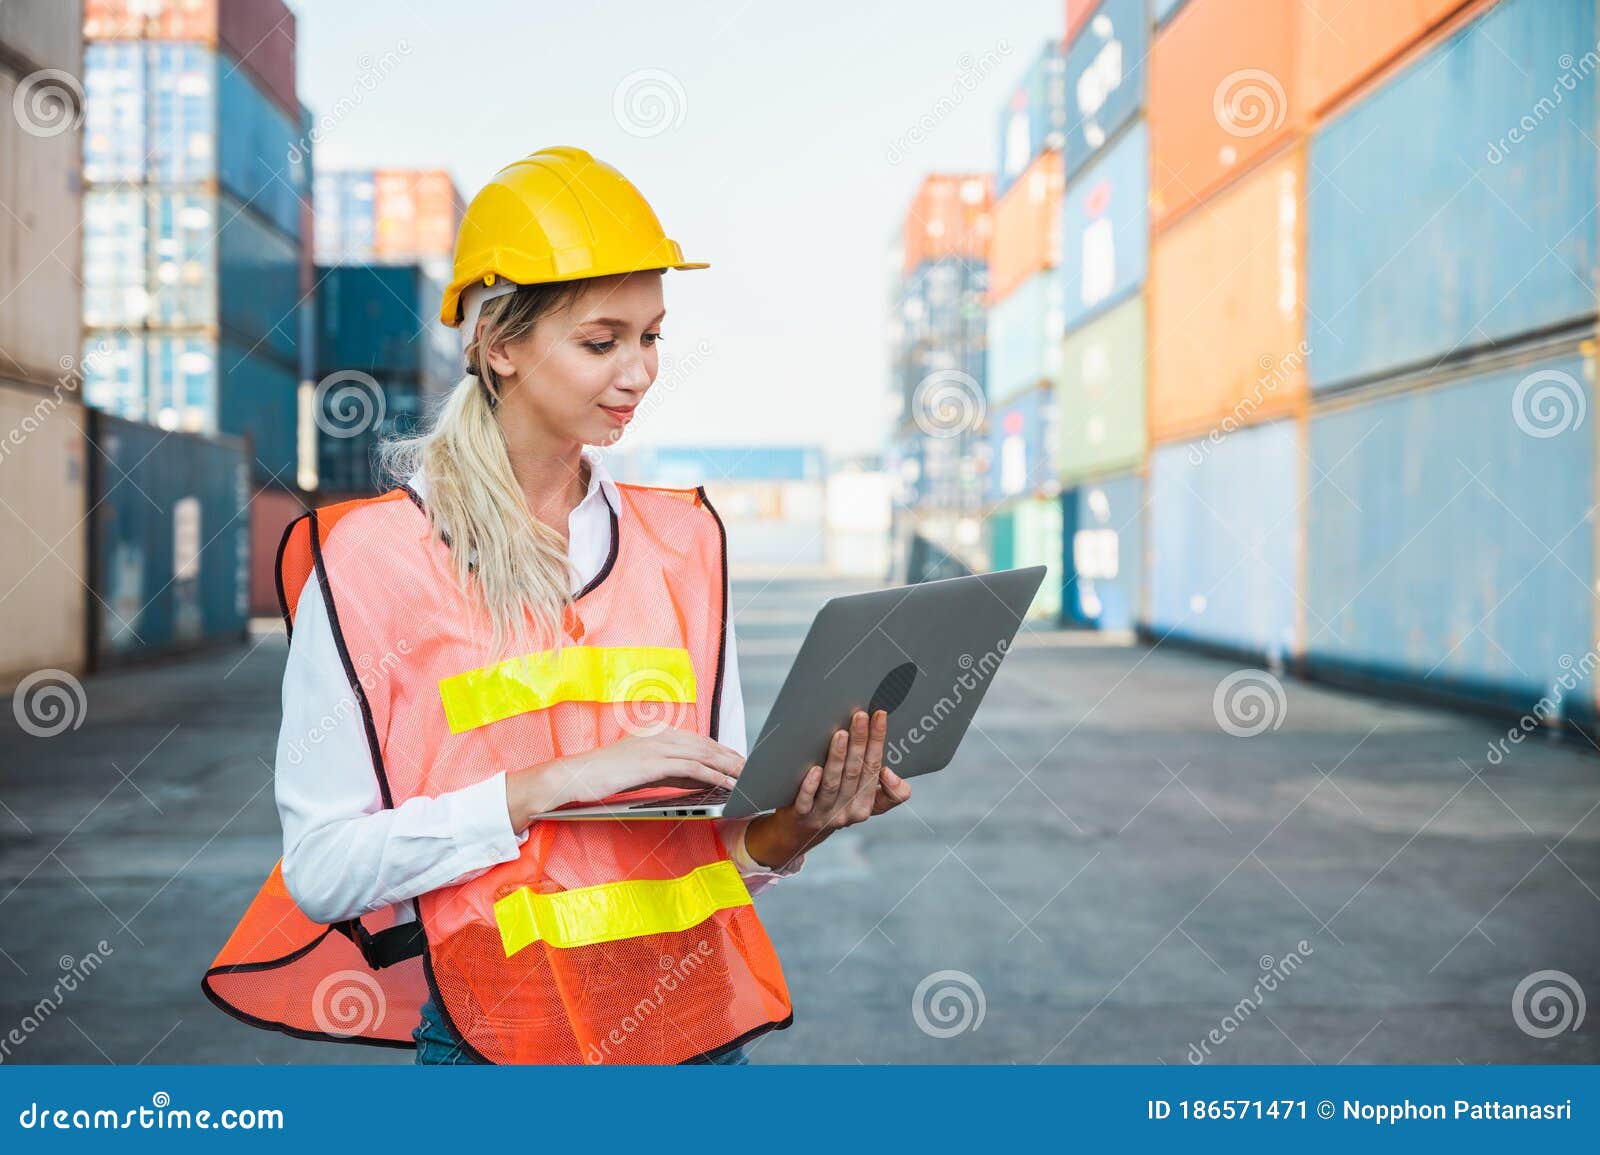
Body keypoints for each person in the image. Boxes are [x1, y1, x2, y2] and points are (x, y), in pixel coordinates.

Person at [201, 146, 912, 1065]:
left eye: (651, 335)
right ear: (500, 347)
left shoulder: (684, 546)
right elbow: (325, 869)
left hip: (697, 1040)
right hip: (498, 1051)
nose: (641, 370)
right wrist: (546, 787)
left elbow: (712, 850)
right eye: (601, 340)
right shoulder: (376, 562)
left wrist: (794, 828)